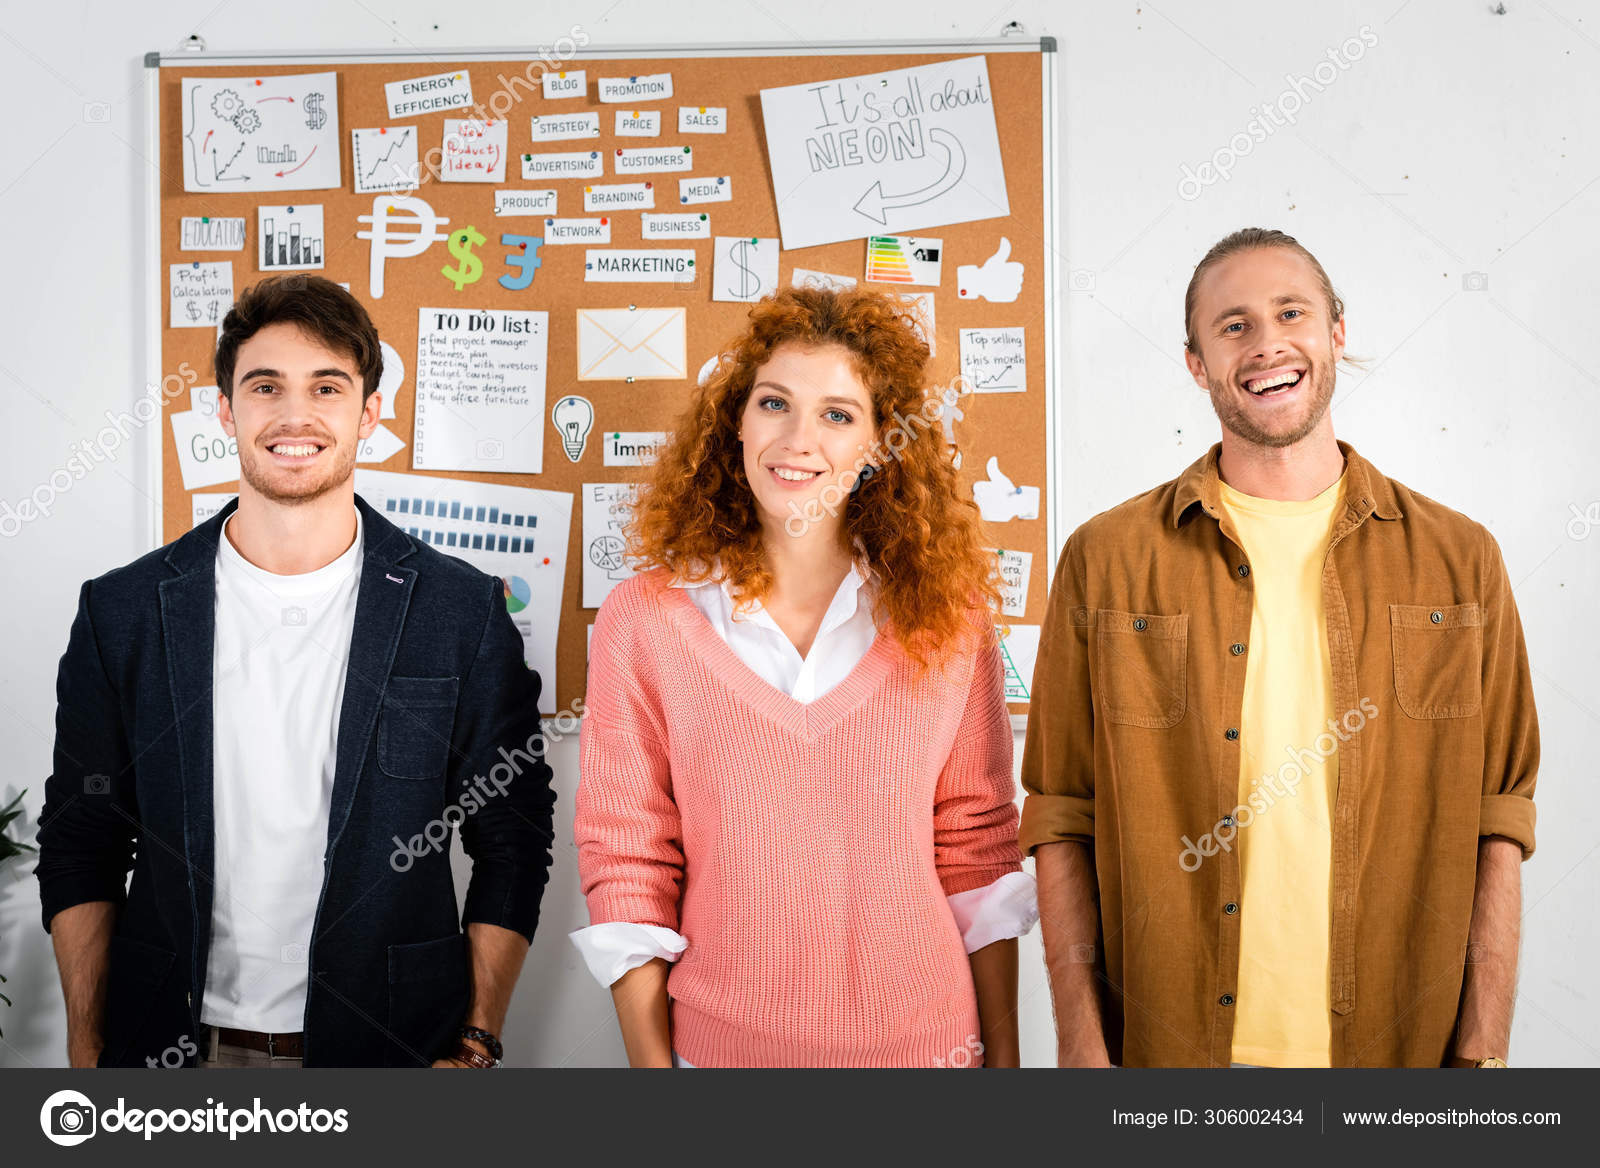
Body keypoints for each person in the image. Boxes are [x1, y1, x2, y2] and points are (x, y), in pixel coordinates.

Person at [1022, 227, 1539, 1068]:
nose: (1266, 343)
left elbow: (1499, 817)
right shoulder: (1108, 559)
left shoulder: (1460, 559)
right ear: (1197, 364)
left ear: (1336, 330)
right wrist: (1082, 1050)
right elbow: (1060, 813)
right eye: (1232, 325)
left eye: (1289, 312)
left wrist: (1482, 1054)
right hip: (1170, 1063)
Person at [37, 275, 556, 1068]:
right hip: (174, 1050)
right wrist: (85, 1044)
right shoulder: (125, 612)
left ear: (369, 414)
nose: (294, 415)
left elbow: (513, 838)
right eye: (265, 385)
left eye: (327, 386)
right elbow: (83, 841)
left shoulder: (460, 612)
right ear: (225, 409)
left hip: (390, 1050)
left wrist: (479, 1036)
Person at [571, 286, 1037, 1067]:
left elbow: (975, 851)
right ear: (737, 423)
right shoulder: (644, 620)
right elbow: (629, 863)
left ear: (882, 443)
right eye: (774, 403)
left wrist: (1007, 1066)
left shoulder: (948, 622)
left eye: (838, 414)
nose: (797, 438)